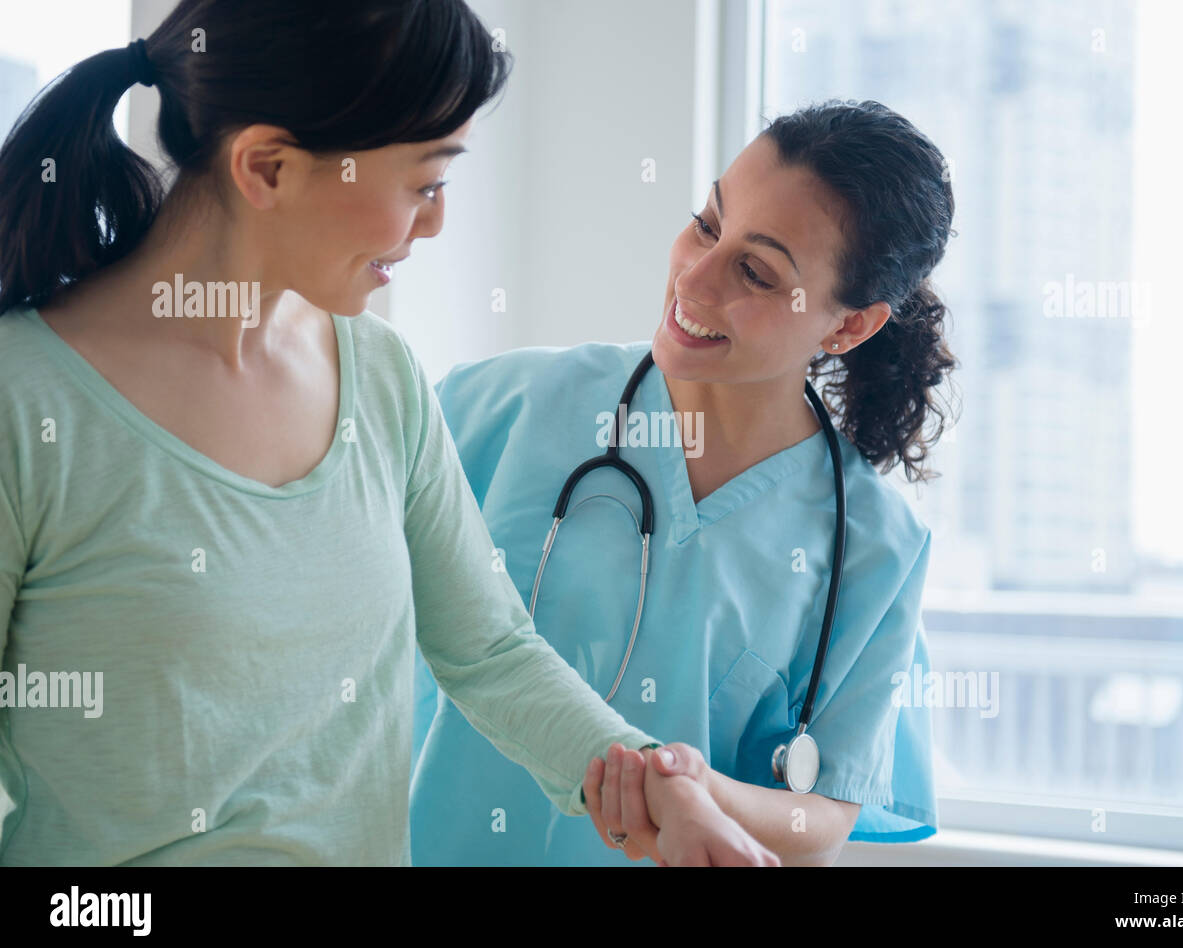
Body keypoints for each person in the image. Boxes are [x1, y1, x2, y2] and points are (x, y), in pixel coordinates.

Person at [0, 0, 778, 866]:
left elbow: (490, 652)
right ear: (268, 168)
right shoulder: (23, 402)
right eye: (424, 182)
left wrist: (657, 785)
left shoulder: (380, 378)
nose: (437, 221)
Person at [410, 99, 958, 866]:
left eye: (756, 272)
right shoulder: (493, 407)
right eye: (706, 224)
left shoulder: (874, 546)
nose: (694, 278)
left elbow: (822, 816)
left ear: (849, 326)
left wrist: (693, 786)